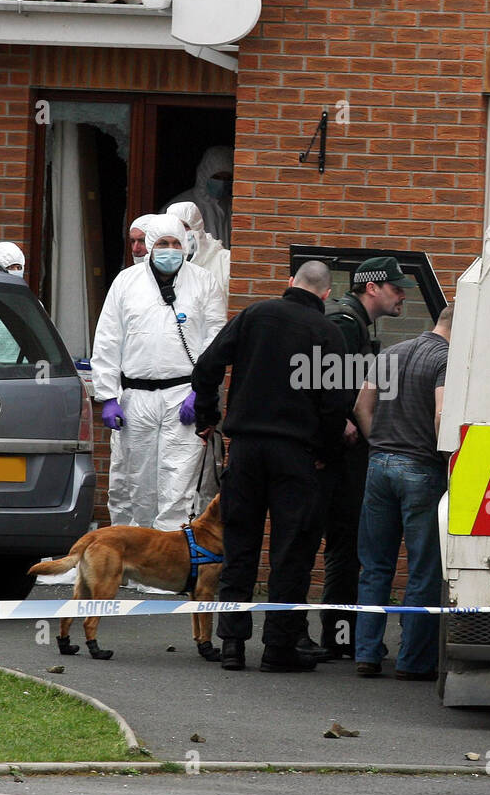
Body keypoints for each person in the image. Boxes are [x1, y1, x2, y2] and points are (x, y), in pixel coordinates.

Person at [190, 261, 352, 673]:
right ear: (326, 295)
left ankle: (231, 645)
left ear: (289, 284)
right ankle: (279, 648)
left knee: (240, 546)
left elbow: (206, 367)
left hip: (244, 450)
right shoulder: (328, 333)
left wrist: (209, 416)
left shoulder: (254, 315)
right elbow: (336, 404)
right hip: (295, 456)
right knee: (291, 552)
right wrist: (326, 451)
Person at [305, 256, 416, 662]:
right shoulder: (345, 324)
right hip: (336, 459)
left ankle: (339, 636)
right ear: (372, 287)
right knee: (341, 546)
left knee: (343, 545)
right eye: (395, 287)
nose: (402, 293)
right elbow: (326, 388)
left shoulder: (354, 324)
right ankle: (338, 637)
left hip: (339, 457)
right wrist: (340, 427)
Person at [91, 214, 226, 540]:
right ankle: (141, 561)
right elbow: (108, 339)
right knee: (138, 482)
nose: (170, 250)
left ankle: (168, 563)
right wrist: (108, 395)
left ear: (186, 245)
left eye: (176, 243)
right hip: (136, 397)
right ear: (150, 247)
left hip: (183, 395)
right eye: (163, 244)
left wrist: (202, 391)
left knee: (177, 483)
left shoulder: (204, 282)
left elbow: (215, 340)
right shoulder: (126, 282)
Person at [351, 303, 453, 680]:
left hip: (379, 466)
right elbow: (442, 413)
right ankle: (413, 661)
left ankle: (366, 654)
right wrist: (447, 454)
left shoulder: (391, 353)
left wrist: (376, 441)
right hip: (421, 469)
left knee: (375, 566)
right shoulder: (446, 359)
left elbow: (363, 405)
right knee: (423, 570)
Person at [165, 145, 234, 249]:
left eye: (227, 178)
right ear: (204, 174)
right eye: (216, 177)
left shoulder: (231, 207)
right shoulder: (182, 205)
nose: (222, 183)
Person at [166, 201, 230, 310]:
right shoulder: (163, 263)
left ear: (197, 227)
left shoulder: (224, 261)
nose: (177, 232)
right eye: (173, 226)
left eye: (184, 226)